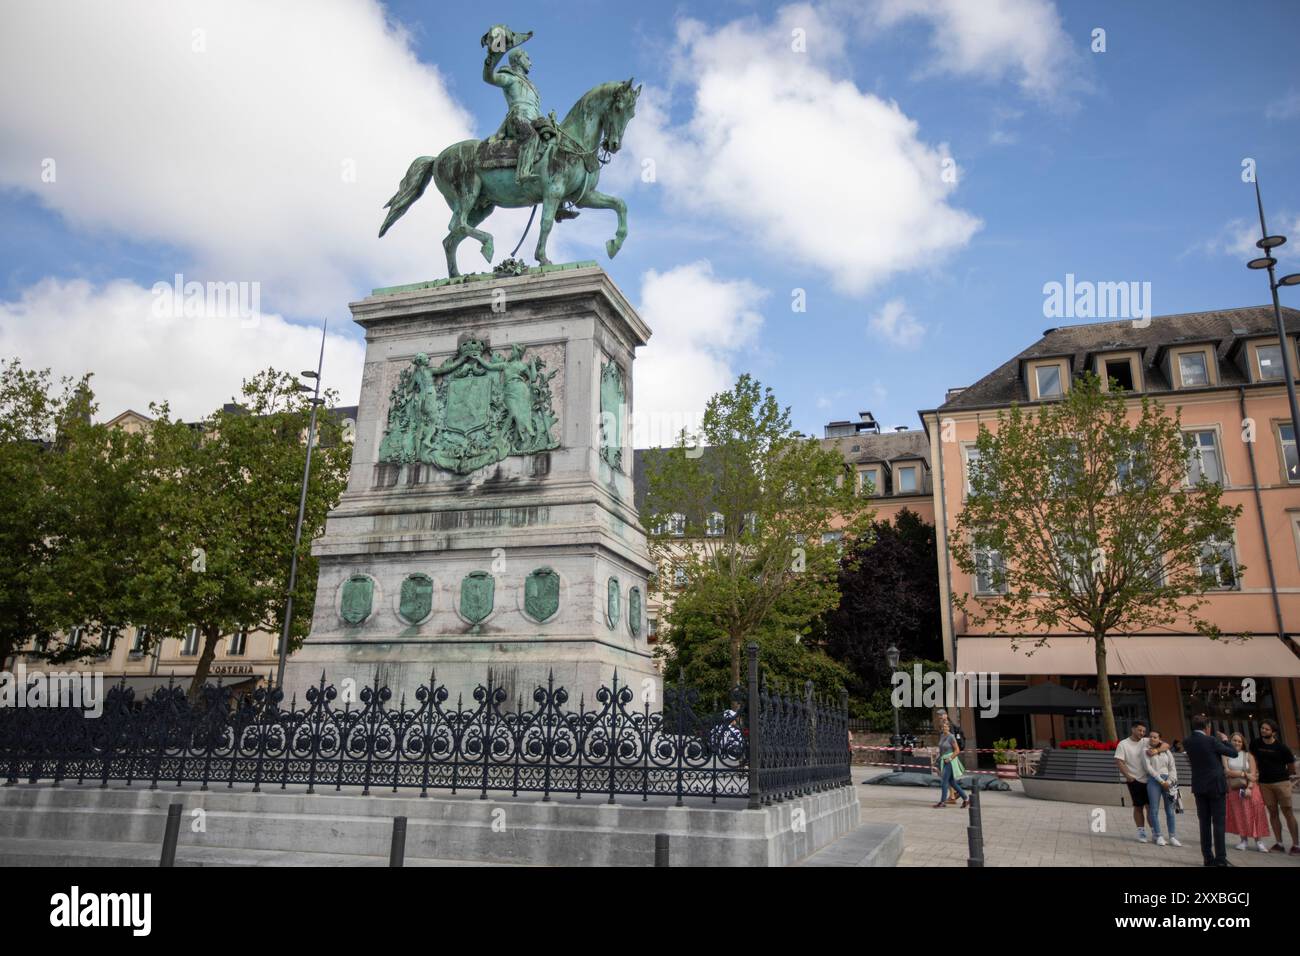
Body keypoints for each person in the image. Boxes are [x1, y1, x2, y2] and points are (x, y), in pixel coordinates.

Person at [1183, 714, 1239, 867]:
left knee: (1204, 823)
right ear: (1207, 727)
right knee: (1219, 823)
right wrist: (1226, 740)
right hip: (1215, 786)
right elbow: (1233, 753)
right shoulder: (1211, 740)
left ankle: (1208, 858)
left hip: (1199, 786)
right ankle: (1220, 859)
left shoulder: (1187, 741)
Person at [1248, 718, 1299, 855]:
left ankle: (1296, 845)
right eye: (1262, 728)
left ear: (1274, 732)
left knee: (1288, 812)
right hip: (1264, 783)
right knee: (1273, 813)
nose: (1263, 730)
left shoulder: (1282, 748)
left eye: (1266, 729)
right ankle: (1279, 843)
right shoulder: (1255, 744)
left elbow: (1291, 767)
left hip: (1281, 782)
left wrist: (1282, 776)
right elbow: (1252, 759)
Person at [1223, 731, 1271, 852]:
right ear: (1230, 741)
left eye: (1239, 741)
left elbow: (1253, 775)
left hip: (1251, 789)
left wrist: (1249, 787)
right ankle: (1243, 840)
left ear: (1243, 743)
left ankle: (1259, 841)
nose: (1237, 743)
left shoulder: (1249, 755)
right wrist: (1244, 773)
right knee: (1239, 815)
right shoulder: (1226, 755)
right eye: (1234, 740)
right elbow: (1227, 771)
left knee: (1255, 814)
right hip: (1234, 789)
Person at [1114, 721, 1156, 842]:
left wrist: (1156, 750)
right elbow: (1119, 761)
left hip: (1149, 779)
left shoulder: (1146, 741)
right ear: (1133, 729)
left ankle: (1155, 831)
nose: (1142, 733)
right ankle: (1141, 832)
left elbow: (1165, 745)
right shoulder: (1123, 744)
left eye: (1143, 731)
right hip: (1134, 780)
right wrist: (1128, 776)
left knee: (1150, 807)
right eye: (1139, 730)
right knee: (1138, 807)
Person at [1142, 729, 1182, 847]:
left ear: (1160, 739)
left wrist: (1169, 781)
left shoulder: (1166, 751)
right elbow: (1148, 768)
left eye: (1155, 737)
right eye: (1151, 736)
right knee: (1153, 810)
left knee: (1170, 810)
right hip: (1154, 781)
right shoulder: (1145, 750)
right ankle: (1159, 836)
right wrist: (1161, 781)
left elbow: (1172, 767)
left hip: (1168, 781)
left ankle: (1172, 836)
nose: (1152, 738)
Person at [932, 714, 969, 809]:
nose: (944, 728)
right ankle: (966, 799)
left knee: (944, 782)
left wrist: (950, 758)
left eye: (946, 726)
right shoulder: (942, 736)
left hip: (950, 762)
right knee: (952, 783)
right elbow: (941, 750)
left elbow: (957, 750)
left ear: (949, 727)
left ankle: (942, 802)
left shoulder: (951, 737)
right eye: (943, 727)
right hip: (943, 761)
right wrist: (937, 760)